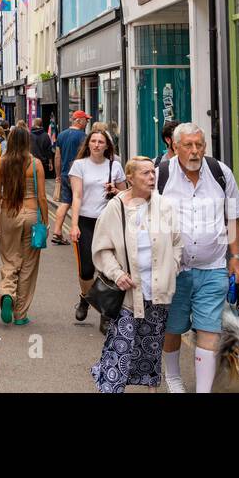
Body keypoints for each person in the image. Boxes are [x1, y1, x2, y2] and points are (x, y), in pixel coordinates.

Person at [159, 123, 239, 393]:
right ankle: (173, 377)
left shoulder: (221, 173)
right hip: (175, 269)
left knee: (210, 330)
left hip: (214, 267)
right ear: (175, 147)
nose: (195, 151)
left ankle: (203, 390)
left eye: (200, 144)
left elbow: (232, 218)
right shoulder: (161, 175)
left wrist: (236, 256)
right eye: (188, 145)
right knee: (172, 328)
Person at [91, 157, 183, 392]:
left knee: (151, 347)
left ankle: (151, 387)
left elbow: (177, 242)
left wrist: (171, 267)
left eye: (153, 173)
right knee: (121, 346)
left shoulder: (165, 206)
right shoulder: (116, 207)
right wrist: (116, 273)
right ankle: (110, 387)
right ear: (130, 178)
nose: (151, 177)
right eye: (145, 174)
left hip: (158, 291)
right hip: (128, 293)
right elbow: (102, 248)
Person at [69, 128, 125, 327]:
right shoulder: (79, 165)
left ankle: (105, 312)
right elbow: (77, 196)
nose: (96, 145)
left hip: (108, 222)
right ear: (88, 144)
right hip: (86, 221)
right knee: (86, 269)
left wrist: (115, 190)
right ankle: (85, 297)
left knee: (108, 268)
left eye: (101, 142)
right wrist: (74, 225)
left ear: (107, 146)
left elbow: (125, 197)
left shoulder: (115, 166)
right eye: (93, 141)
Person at [0, 125, 47, 326]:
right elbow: (42, 197)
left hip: (9, 213)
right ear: (27, 142)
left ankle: (7, 293)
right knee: (28, 265)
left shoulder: (1, 163)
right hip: (32, 214)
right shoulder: (36, 164)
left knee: (10, 259)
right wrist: (45, 220)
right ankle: (20, 314)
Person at [50, 110, 90, 244]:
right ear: (78, 121)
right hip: (78, 175)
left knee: (65, 203)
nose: (87, 122)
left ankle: (57, 231)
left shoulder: (61, 135)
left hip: (65, 173)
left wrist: (58, 175)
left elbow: (57, 156)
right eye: (86, 120)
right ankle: (78, 230)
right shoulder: (83, 137)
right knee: (79, 202)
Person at [29, 117, 54, 181]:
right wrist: (50, 163)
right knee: (41, 182)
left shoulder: (29, 135)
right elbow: (49, 150)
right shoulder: (46, 135)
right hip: (42, 163)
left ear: (34, 124)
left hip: (31, 162)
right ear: (41, 124)